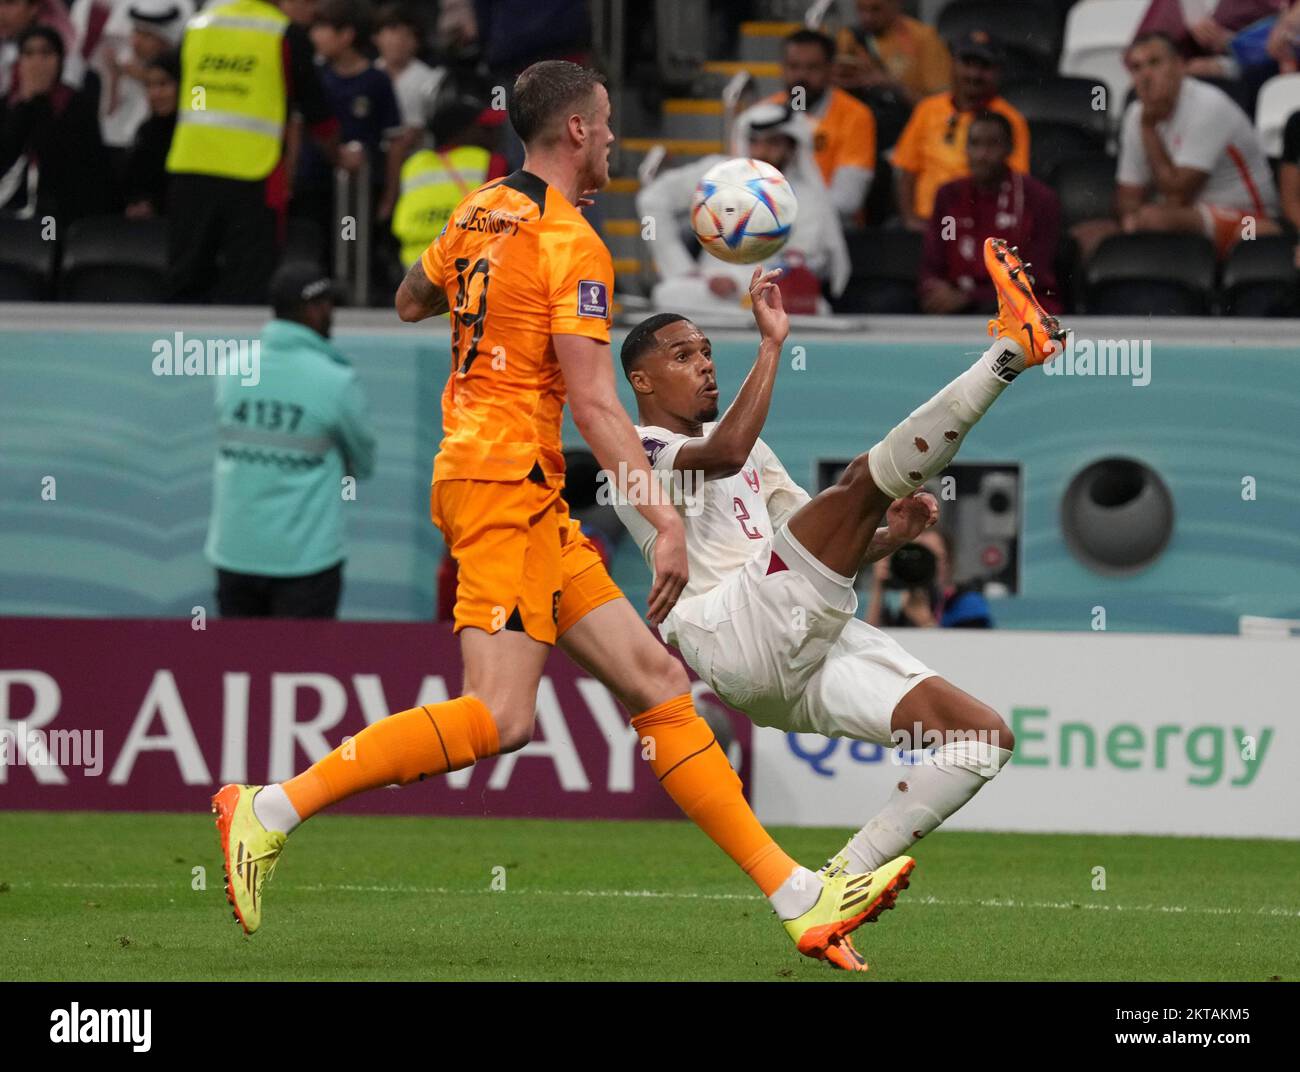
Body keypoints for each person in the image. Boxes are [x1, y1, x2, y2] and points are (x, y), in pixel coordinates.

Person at [212, 60, 898, 974]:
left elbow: (415, 300)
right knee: (499, 718)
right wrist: (663, 522)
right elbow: (598, 405)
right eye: (607, 123)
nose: (612, 138)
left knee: (656, 682)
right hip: (499, 482)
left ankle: (799, 897)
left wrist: (483, 302)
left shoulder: (476, 212)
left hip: (516, 487)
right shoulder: (574, 243)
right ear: (576, 131)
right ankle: (267, 810)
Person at [610, 238, 1055, 952]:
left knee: (981, 738)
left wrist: (888, 538)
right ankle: (1007, 355)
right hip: (734, 631)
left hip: (798, 649)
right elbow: (725, 459)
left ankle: (837, 886)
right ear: (642, 379)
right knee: (863, 481)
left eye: (706, 352)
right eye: (684, 355)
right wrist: (771, 345)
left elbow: (811, 548)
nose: (703, 366)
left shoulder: (751, 450)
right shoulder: (635, 451)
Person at [206, 261, 376, 619]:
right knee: (299, 671)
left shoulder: (231, 370)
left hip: (234, 556)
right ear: (313, 309)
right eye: (328, 305)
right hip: (306, 565)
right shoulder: (336, 382)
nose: (332, 314)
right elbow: (364, 462)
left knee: (238, 671)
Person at [165, 0, 354, 304]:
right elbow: (318, 115)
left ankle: (174, 349)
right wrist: (337, 156)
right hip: (252, 173)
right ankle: (241, 351)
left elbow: (180, 83)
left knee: (185, 277)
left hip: (191, 167)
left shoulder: (198, 25)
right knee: (248, 283)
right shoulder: (283, 34)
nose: (313, 9)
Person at [639, 101, 849, 316]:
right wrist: (681, 270)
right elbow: (653, 199)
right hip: (706, 289)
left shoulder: (807, 198)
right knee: (671, 294)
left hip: (773, 293)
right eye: (755, 142)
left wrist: (737, 283)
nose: (762, 151)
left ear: (792, 147)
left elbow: (799, 263)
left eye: (773, 143)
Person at [1116, 31, 1279, 258]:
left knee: (1154, 221)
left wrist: (1149, 129)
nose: (1145, 76)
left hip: (1251, 220)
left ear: (1180, 65)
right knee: (1093, 236)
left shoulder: (1208, 106)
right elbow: (1128, 195)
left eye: (1154, 63)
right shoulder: (1135, 114)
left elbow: (1177, 193)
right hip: (1190, 216)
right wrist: (1131, 220)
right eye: (1136, 68)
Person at [919, 110, 1061, 315]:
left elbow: (1034, 274)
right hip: (954, 308)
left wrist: (970, 297)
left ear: (1010, 148)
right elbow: (932, 264)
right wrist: (934, 289)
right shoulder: (949, 196)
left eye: (992, 144)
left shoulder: (1039, 200)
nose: (981, 155)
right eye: (974, 144)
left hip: (1018, 311)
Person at [891, 31, 1030, 230]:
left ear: (998, 72)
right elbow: (906, 171)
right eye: (967, 64)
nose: (973, 74)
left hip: (976, 224)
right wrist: (910, 219)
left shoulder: (1010, 120)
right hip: (924, 223)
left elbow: (1013, 183)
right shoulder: (927, 109)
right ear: (953, 64)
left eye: (984, 67)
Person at [295, 0, 404, 233]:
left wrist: (389, 197)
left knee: (359, 247)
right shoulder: (314, 76)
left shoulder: (377, 81)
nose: (314, 36)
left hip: (364, 189)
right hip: (316, 185)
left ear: (346, 35)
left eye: (321, 28)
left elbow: (395, 141)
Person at [0, 25, 119, 220]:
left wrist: (38, 102)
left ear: (60, 60)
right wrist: (26, 104)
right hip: (12, 206)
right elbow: (6, 155)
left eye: (46, 53)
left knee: (48, 232)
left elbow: (66, 163)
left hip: (62, 210)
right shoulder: (8, 105)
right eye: (28, 54)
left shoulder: (76, 105)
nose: (37, 62)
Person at [764, 28, 875, 225]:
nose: (801, 76)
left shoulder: (856, 116)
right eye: (794, 67)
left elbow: (847, 200)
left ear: (830, 69)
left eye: (812, 68)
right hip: (772, 224)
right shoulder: (764, 113)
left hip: (834, 227)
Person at [390, 89, 507, 269]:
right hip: (467, 264)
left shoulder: (413, 164)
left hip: (415, 266)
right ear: (460, 133)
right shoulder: (492, 162)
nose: (494, 134)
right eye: (485, 129)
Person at [866, 526, 994, 628]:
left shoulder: (968, 603)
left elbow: (971, 654)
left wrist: (925, 622)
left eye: (931, 557)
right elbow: (870, 646)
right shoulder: (905, 603)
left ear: (949, 562)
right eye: (915, 557)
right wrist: (879, 587)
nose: (922, 565)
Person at [833, 0, 952, 105]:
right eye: (861, 9)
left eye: (876, 9)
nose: (867, 17)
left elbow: (940, 107)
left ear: (896, 4)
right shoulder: (849, 37)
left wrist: (891, 86)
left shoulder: (924, 38)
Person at [373, 1, 443, 135]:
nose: (398, 41)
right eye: (392, 32)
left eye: (407, 35)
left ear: (418, 42)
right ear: (376, 37)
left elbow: (418, 130)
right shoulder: (368, 75)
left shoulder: (431, 79)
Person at [121, 48, 177, 218]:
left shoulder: (190, 135)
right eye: (149, 85)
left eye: (163, 84)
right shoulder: (146, 132)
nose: (155, 94)